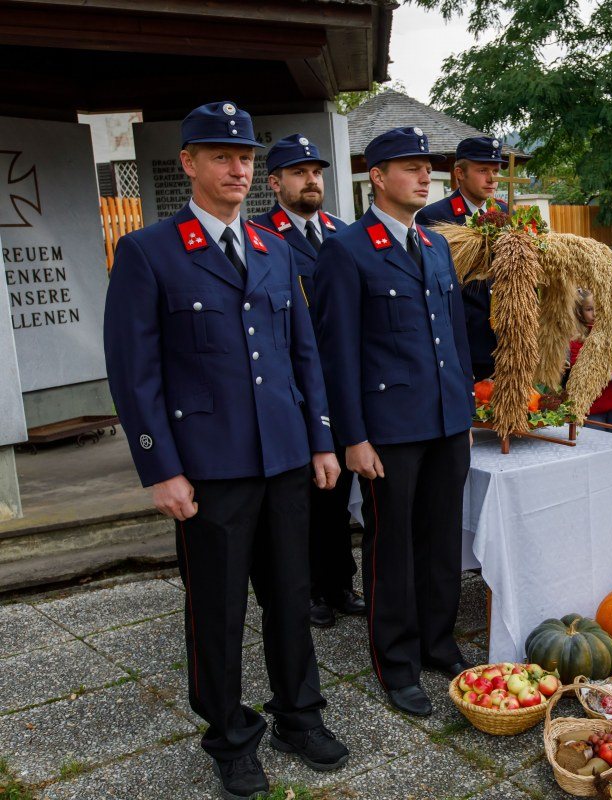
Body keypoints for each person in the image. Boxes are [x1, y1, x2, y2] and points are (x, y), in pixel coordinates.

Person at [103, 102, 349, 800]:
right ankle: (230, 736)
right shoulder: (150, 252)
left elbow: (303, 355)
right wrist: (160, 466)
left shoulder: (273, 250)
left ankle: (299, 715)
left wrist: (322, 440)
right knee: (217, 610)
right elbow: (134, 373)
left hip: (285, 461)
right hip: (208, 473)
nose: (237, 167)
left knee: (291, 598)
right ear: (188, 164)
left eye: (245, 156)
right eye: (220, 155)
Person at [311, 126, 474, 718]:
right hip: (388, 429)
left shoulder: (436, 247)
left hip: (445, 422)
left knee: (441, 540)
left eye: (425, 164)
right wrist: (351, 436)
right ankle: (397, 660)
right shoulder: (347, 250)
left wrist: (464, 408)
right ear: (377, 177)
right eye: (408, 166)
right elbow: (337, 354)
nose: (422, 173)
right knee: (393, 546)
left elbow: (453, 339)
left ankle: (437, 641)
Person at [251, 134, 363, 630]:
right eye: (298, 172)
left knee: (339, 492)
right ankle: (310, 589)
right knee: (305, 498)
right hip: (293, 388)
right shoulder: (261, 236)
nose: (311, 180)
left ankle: (341, 582)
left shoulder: (342, 232)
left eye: (316, 171)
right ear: (275, 183)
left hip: (341, 384)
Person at [415, 135, 509, 379]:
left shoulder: (503, 213)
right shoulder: (435, 217)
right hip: (466, 340)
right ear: (460, 173)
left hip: (505, 342)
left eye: (495, 171)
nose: (492, 179)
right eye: (482, 170)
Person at [568, 288, 612, 426]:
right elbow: (578, 367)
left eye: (598, 308)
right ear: (580, 312)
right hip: (593, 404)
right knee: (597, 439)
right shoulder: (577, 338)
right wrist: (604, 374)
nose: (594, 314)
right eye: (589, 309)